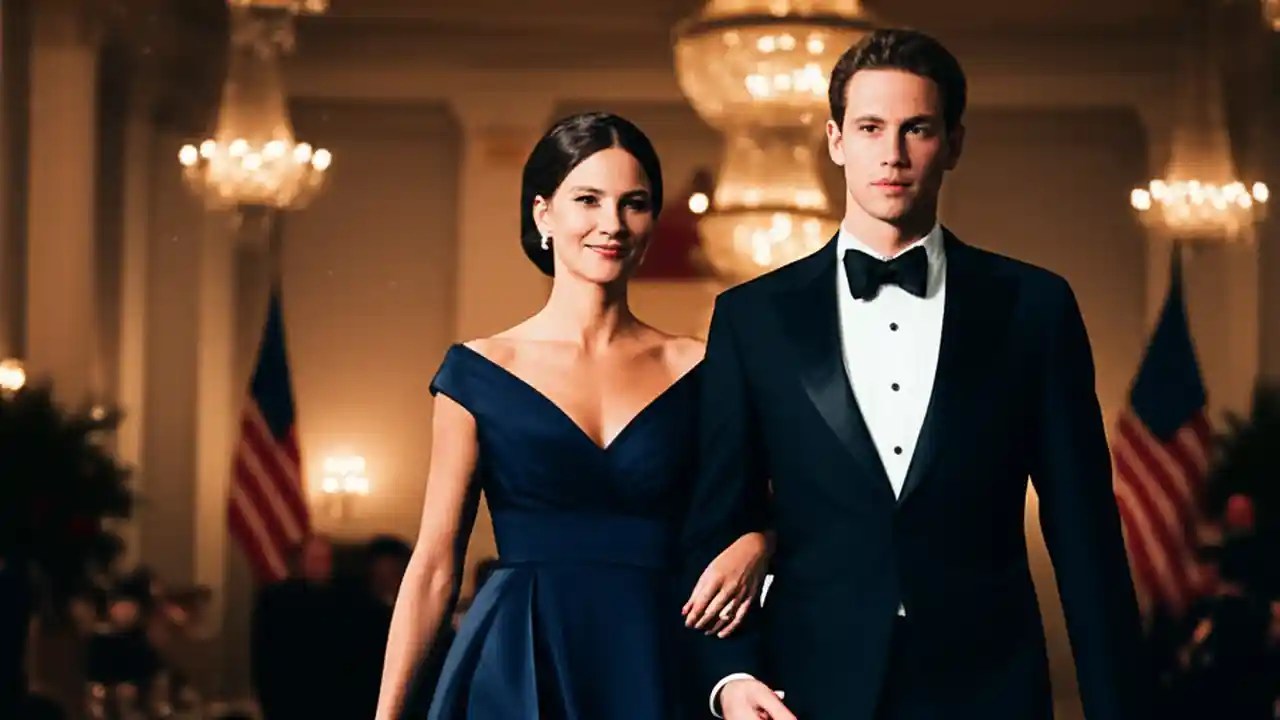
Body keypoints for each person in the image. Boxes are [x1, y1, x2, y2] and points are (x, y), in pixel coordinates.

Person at [682, 28, 1151, 720]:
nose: (893, 154)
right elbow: (718, 524)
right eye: (871, 127)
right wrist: (730, 678)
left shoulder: (1035, 307)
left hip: (990, 688)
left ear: (953, 144)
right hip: (807, 692)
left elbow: (1084, 531)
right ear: (837, 140)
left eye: (917, 129)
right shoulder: (752, 319)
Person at [374, 111, 772, 720]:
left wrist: (759, 542)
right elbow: (432, 566)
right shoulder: (477, 371)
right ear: (543, 215)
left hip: (659, 653)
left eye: (633, 203)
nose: (611, 224)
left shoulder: (704, 369)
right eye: (587, 199)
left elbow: (761, 508)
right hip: (519, 657)